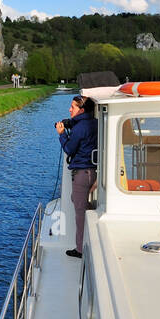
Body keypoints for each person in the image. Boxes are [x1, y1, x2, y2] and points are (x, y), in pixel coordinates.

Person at [56, 94, 98, 259]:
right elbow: (80, 124)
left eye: (72, 107)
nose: (69, 109)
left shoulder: (80, 128)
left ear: (81, 110)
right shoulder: (93, 122)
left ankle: (80, 249)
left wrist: (61, 133)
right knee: (76, 199)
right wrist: (69, 122)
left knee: (79, 213)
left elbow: (69, 149)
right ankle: (92, 217)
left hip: (82, 173)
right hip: (91, 171)